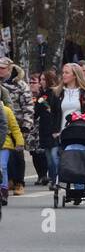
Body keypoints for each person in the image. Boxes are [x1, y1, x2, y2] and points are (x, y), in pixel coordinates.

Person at [0, 57, 34, 195]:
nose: (0, 70)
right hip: (2, 125)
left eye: (2, 68)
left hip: (18, 125)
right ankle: (8, 181)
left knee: (18, 154)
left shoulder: (20, 85)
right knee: (5, 155)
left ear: (9, 69)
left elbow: (28, 106)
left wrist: (26, 125)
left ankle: (19, 182)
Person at [33, 71, 58, 187]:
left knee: (54, 156)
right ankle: (53, 179)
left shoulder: (56, 93)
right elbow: (36, 111)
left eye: (43, 79)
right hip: (44, 129)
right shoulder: (41, 95)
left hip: (54, 128)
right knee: (48, 158)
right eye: (41, 79)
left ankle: (57, 179)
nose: (41, 82)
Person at [1, 97, 22, 205]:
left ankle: (4, 191)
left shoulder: (6, 110)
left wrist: (20, 142)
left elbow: (14, 128)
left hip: (4, 144)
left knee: (2, 166)